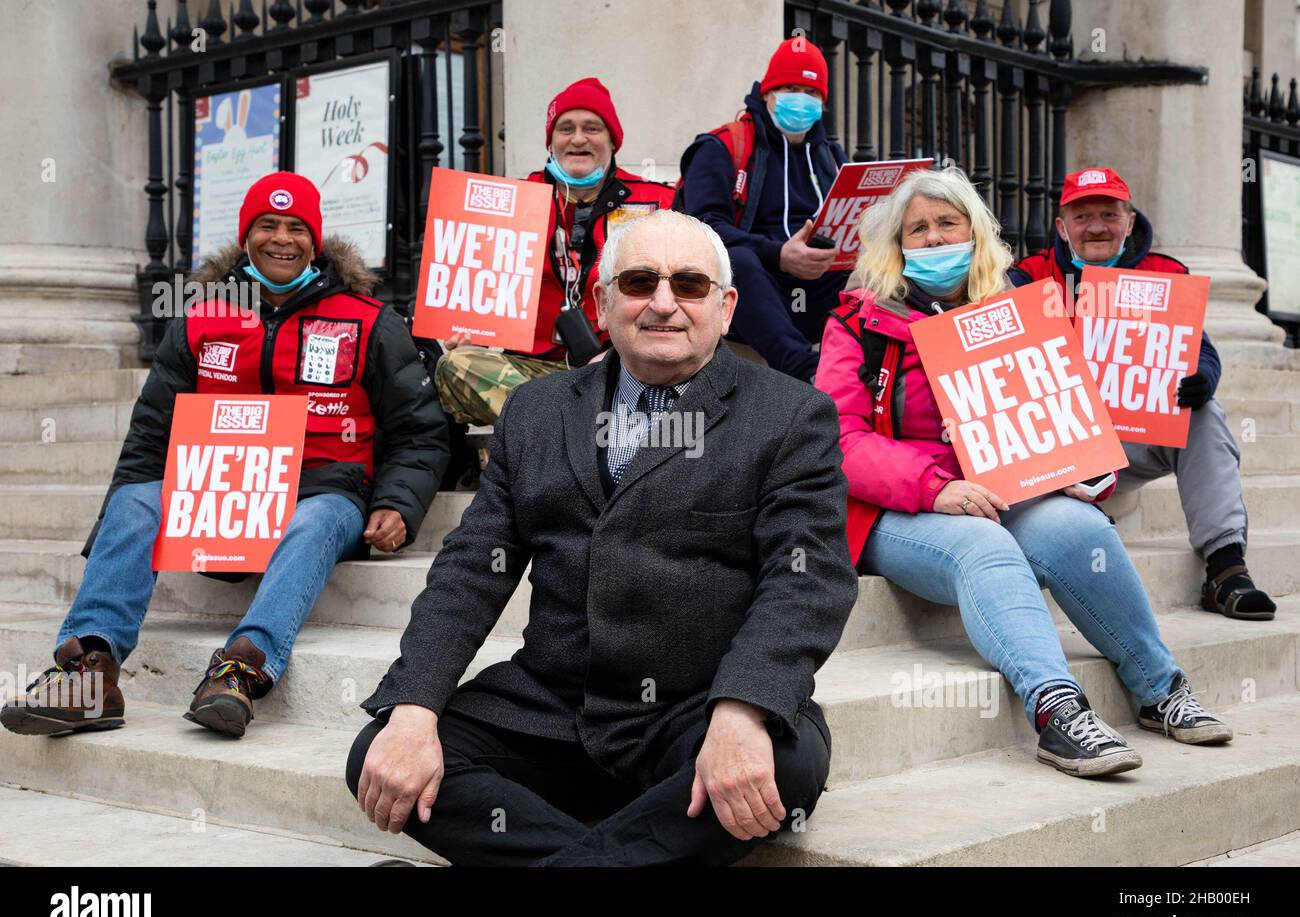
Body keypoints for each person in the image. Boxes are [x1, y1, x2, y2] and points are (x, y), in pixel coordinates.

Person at [346, 210, 858, 866]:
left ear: (727, 308)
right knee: (380, 753)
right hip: (555, 709)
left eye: (691, 286)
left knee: (784, 770)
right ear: (603, 301)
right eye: (640, 282)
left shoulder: (789, 416)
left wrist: (742, 709)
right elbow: (474, 565)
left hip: (698, 709)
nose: (665, 304)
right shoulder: (537, 411)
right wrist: (415, 704)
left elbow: (806, 577)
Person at [1, 172, 449, 740]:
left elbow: (420, 430)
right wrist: (112, 529)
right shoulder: (199, 317)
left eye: (296, 228)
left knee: (318, 519)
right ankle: (90, 673)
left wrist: (398, 505)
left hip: (322, 491)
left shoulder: (366, 321)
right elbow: (149, 437)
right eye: (266, 225)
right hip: (214, 493)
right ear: (246, 237)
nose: (281, 239)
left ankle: (240, 666)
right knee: (138, 498)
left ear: (317, 242)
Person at [816, 167, 1232, 779]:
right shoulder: (857, 321)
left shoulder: (1019, 313)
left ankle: (1159, 688)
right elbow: (840, 440)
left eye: (947, 224)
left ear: (975, 233)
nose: (933, 239)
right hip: (898, 510)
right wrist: (938, 486)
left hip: (1003, 489)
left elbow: (1070, 416)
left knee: (1081, 528)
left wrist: (1083, 473)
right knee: (986, 547)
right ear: (897, 245)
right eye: (918, 229)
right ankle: (1058, 712)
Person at [1010, 167, 1275, 621]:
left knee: (1206, 413)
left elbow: (1202, 353)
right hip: (1060, 449)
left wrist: (1201, 377)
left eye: (1109, 214)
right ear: (1061, 226)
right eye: (1082, 215)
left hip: (1132, 439)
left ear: (1129, 221)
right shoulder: (1027, 277)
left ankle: (1226, 565)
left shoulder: (1166, 274)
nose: (1096, 226)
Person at [435, 77, 674, 426]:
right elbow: (479, 295)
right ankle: (569, 429)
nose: (578, 138)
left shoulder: (656, 203)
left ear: (612, 141)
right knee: (455, 365)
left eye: (592, 128)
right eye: (566, 128)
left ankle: (549, 432)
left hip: (619, 366)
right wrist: (471, 328)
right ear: (551, 141)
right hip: (532, 371)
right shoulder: (512, 200)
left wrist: (617, 357)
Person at [679, 37, 849, 383]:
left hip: (815, 288)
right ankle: (806, 372)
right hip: (750, 295)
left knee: (877, 269)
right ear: (767, 93)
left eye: (811, 92)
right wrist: (778, 254)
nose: (800, 99)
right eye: (789, 88)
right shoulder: (722, 147)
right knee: (737, 260)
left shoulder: (831, 157)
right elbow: (702, 228)